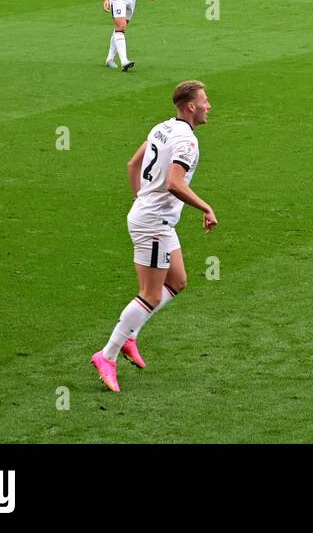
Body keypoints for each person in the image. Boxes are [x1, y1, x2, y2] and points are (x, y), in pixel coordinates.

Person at [89, 80, 217, 394]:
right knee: (151, 295)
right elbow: (174, 183)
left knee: (177, 282)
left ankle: (130, 334)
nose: (208, 106)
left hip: (153, 219)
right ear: (191, 106)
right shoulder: (187, 141)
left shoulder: (162, 127)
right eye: (205, 101)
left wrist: (140, 199)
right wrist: (206, 207)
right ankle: (107, 354)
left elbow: (133, 164)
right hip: (154, 224)